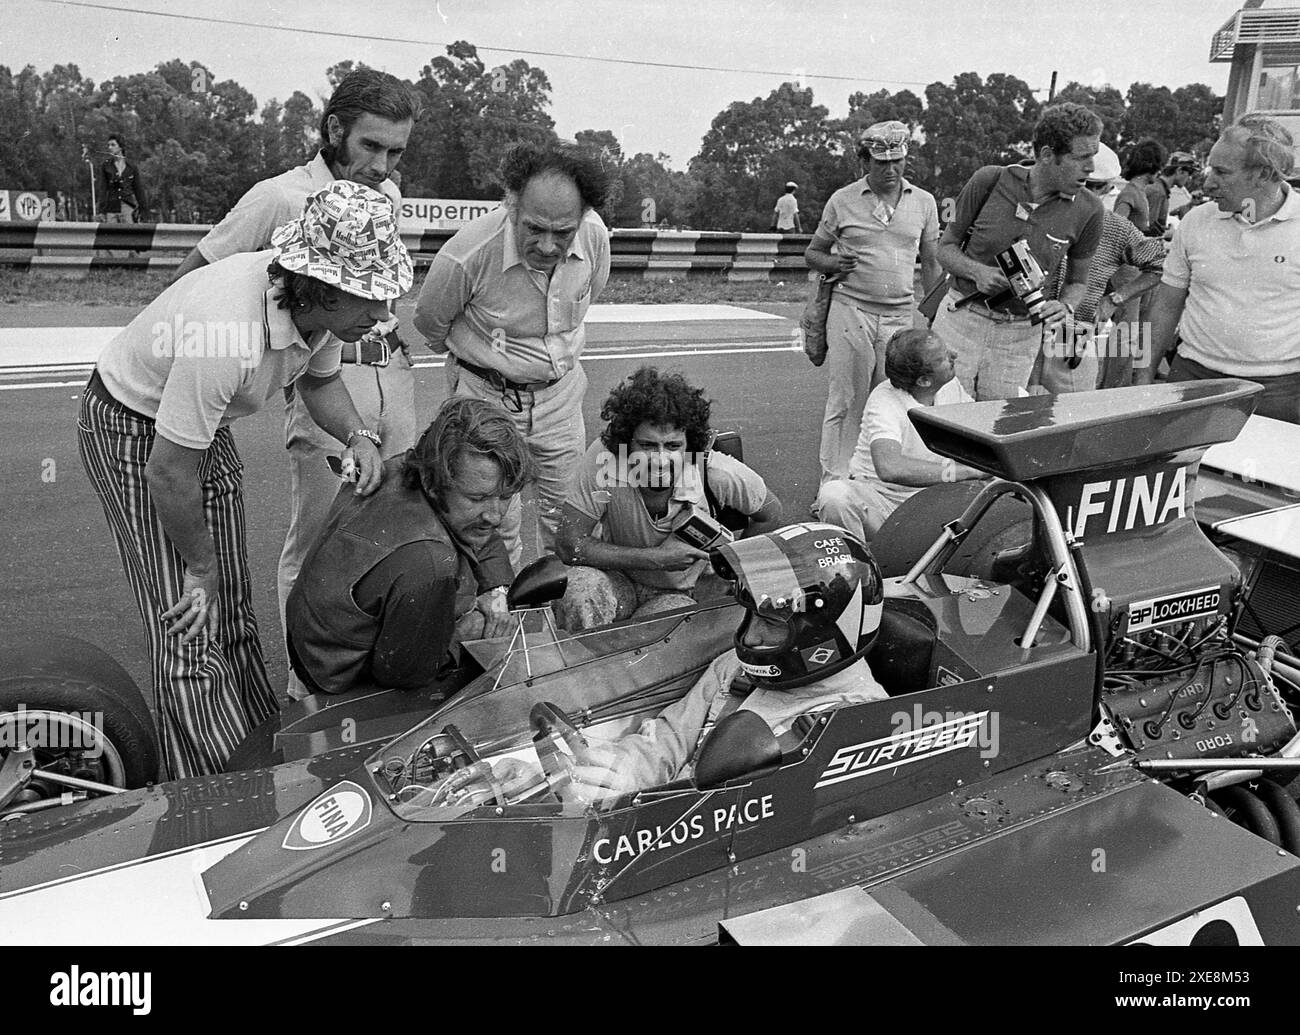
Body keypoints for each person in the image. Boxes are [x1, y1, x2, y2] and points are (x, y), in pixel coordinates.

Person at [77, 181, 413, 778]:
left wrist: (359, 436)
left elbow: (316, 382)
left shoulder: (319, 316)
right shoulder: (226, 336)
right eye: (374, 297)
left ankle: (261, 748)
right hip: (135, 429)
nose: (386, 316)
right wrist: (199, 566)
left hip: (193, 426)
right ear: (326, 286)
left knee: (232, 603)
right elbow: (167, 470)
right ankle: (215, 789)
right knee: (190, 612)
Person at [171, 70, 421, 700]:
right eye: (371, 146)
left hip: (371, 369)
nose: (382, 165)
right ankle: (301, 686)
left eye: (396, 151)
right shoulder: (279, 199)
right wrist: (204, 362)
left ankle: (363, 676)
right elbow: (194, 276)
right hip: (302, 371)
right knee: (316, 542)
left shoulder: (385, 197)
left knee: (388, 525)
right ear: (334, 130)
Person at [440, 524, 888, 806]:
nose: (750, 636)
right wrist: (557, 773)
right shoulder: (735, 668)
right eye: (750, 615)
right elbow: (665, 745)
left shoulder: (854, 725)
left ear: (822, 636)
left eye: (770, 624)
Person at [413, 141, 612, 565]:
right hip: (484, 401)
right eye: (533, 228)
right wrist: (487, 364)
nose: (546, 245)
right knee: (491, 527)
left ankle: (561, 627)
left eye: (563, 233)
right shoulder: (467, 253)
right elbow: (431, 323)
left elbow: (587, 298)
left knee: (568, 524)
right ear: (512, 205)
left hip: (560, 400)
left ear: (583, 217)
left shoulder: (595, 238)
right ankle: (501, 625)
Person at [286, 398, 532, 695]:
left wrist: (497, 591)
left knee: (492, 609)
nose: (495, 514)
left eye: (505, 496)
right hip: (340, 672)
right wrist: (464, 633)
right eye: (478, 499)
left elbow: (483, 528)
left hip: (314, 633)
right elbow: (406, 675)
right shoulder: (429, 562)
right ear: (434, 482)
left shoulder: (407, 465)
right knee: (488, 631)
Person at [553, 367, 784, 630]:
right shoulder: (605, 459)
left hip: (680, 594)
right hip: (619, 579)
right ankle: (587, 666)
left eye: (673, 446)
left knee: (661, 630)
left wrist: (733, 571)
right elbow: (569, 545)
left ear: (691, 445)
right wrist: (658, 558)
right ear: (626, 442)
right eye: (647, 445)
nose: (659, 460)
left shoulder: (716, 472)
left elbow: (770, 513)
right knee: (578, 590)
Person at [932, 102, 1104, 401]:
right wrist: (977, 271)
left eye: (1094, 156)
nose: (1091, 168)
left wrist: (1065, 307)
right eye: (1081, 158)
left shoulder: (1090, 209)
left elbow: (1078, 282)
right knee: (942, 415)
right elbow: (944, 249)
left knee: (996, 426)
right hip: (961, 321)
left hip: (1020, 336)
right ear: (1048, 155)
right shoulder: (990, 180)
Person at [1138, 116, 1300, 424]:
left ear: (1264, 174)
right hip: (1191, 378)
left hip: (1280, 390)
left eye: (1222, 172)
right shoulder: (1196, 221)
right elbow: (1164, 308)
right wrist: (1142, 374)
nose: (1208, 182)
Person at [805, 121, 942, 482]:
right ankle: (833, 483)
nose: (891, 170)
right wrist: (833, 262)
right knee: (846, 399)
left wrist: (933, 314)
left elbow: (930, 262)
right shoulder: (843, 199)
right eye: (881, 162)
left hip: (899, 314)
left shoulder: (923, 202)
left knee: (890, 399)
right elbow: (813, 253)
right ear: (864, 161)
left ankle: (871, 480)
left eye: (897, 161)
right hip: (852, 308)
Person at [815, 329, 982, 543]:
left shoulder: (951, 386)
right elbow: (889, 468)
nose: (954, 355)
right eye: (942, 358)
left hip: (934, 504)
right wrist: (965, 472)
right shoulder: (885, 401)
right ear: (923, 381)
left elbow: (981, 429)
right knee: (834, 495)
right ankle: (862, 567)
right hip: (883, 506)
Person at [1073, 147, 1167, 389]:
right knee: (1127, 334)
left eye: (1094, 186)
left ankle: (1122, 386)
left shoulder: (1139, 196)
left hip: (1127, 274)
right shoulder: (1133, 195)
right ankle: (1117, 386)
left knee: (1131, 334)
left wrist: (1114, 299)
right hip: (1121, 273)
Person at [1114, 139, 1164, 234]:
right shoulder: (1129, 194)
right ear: (1152, 165)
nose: (1160, 171)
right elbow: (1116, 230)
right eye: (1159, 165)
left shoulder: (1139, 192)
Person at [1147, 151, 1200, 239]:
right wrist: (1171, 234)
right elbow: (1148, 229)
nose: (1189, 178)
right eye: (1189, 173)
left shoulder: (1160, 189)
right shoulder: (1158, 192)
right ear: (1179, 171)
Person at [98, 134, 147, 224]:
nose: (110, 148)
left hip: (127, 207)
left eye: (113, 145)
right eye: (108, 145)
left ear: (120, 147)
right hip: (111, 207)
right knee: (111, 235)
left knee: (128, 235)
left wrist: (143, 211)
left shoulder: (131, 167)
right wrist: (101, 211)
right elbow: (103, 189)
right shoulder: (106, 166)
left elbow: (138, 190)